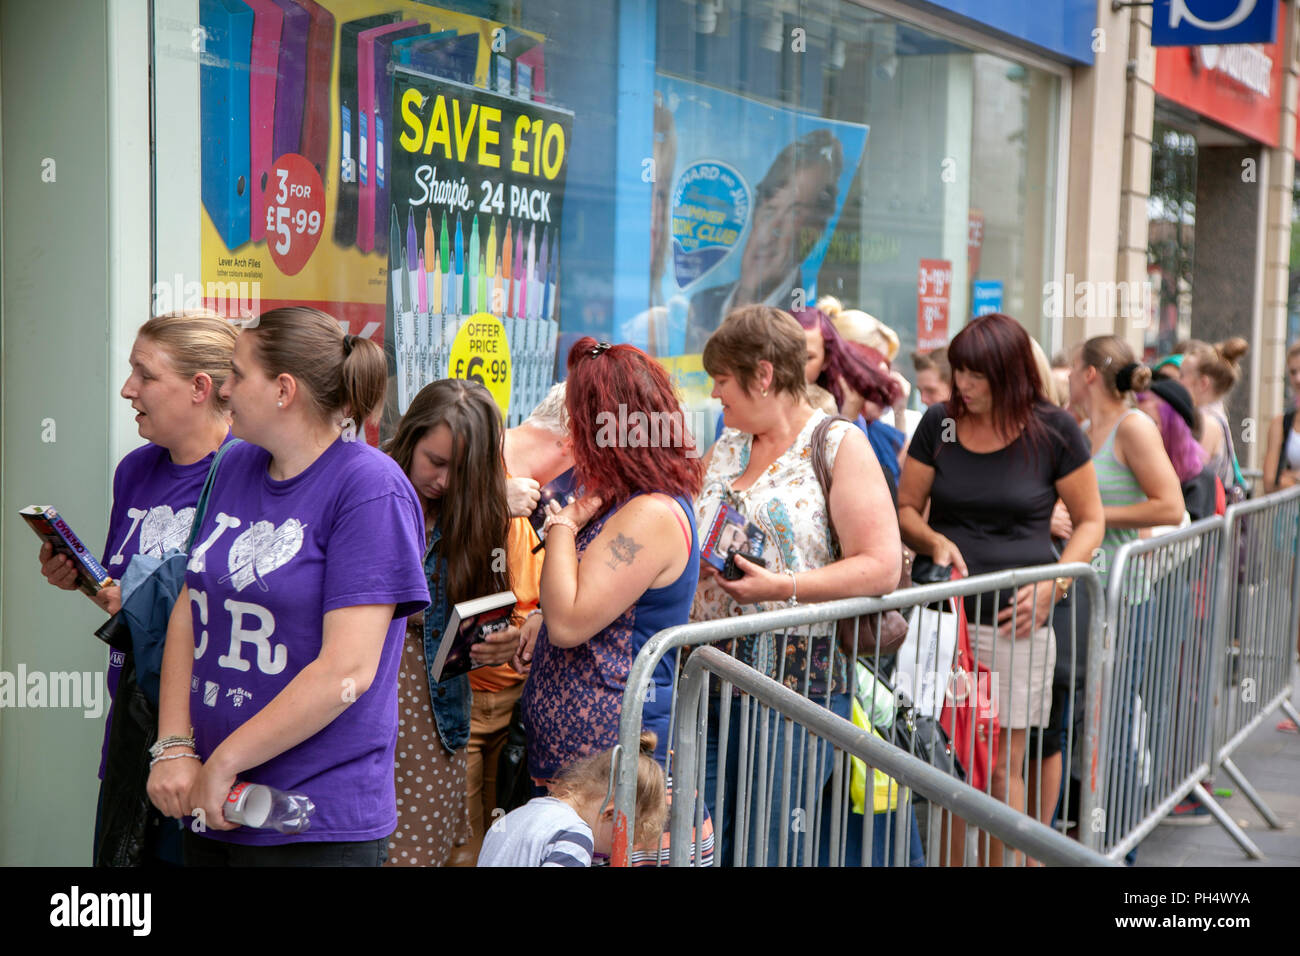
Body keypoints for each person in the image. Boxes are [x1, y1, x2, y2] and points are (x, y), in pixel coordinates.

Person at [146, 307, 430, 866]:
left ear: (284, 390)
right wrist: (174, 746)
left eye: (237, 373)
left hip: (310, 822)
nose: (223, 389)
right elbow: (191, 606)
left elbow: (345, 672)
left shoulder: (370, 488)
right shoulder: (233, 464)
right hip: (214, 803)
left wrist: (223, 760)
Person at [693, 305, 902, 865]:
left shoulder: (836, 444)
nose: (715, 394)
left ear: (763, 376)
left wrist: (780, 586)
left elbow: (880, 565)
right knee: (697, 844)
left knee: (768, 850)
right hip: (706, 678)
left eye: (722, 379)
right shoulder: (728, 444)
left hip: (792, 690)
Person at [898, 313, 1104, 866]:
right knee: (946, 765)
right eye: (958, 371)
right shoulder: (940, 424)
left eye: (976, 375)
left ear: (1009, 374)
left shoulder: (1054, 429)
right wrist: (934, 541)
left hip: (1018, 626)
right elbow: (905, 510)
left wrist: (1054, 584)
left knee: (996, 767)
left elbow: (1090, 520)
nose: (962, 384)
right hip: (948, 626)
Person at [39, 310, 237, 866]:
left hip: (207, 736)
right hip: (133, 723)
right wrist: (81, 577)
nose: (128, 389)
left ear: (200, 388)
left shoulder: (244, 474)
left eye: (144, 375)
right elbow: (124, 594)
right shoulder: (135, 471)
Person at [517, 338, 703, 785]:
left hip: (611, 769)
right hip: (583, 763)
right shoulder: (622, 497)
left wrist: (562, 526)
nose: (571, 436)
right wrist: (543, 614)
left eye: (577, 421)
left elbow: (570, 624)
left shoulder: (650, 512)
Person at [384, 378, 527, 866]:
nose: (443, 481)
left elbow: (487, 606)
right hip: (365, 691)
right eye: (436, 462)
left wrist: (500, 640)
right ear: (409, 439)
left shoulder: (481, 512)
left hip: (433, 705)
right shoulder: (371, 489)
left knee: (419, 852)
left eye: (460, 471)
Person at [685, 130, 844, 351]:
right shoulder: (702, 303)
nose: (769, 234)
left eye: (792, 216)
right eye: (769, 212)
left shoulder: (800, 322)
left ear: (813, 233)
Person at [477, 732, 666, 867]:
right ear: (610, 813)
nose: (607, 856)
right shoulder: (575, 837)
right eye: (619, 842)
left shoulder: (515, 816)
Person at [1135, 379, 1220, 521]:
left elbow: (1195, 537)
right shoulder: (1133, 466)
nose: (1140, 429)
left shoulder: (1200, 479)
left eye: (1151, 422)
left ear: (1174, 429)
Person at [1179, 337, 1249, 498]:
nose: (1178, 381)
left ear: (1203, 383)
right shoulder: (1213, 415)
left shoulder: (1208, 423)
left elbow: (1188, 473)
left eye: (1182, 375)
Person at [1262, 341, 1300, 494]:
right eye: (1293, 372)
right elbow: (1270, 483)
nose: (1298, 378)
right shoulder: (1281, 423)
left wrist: (1291, 477)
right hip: (1288, 516)